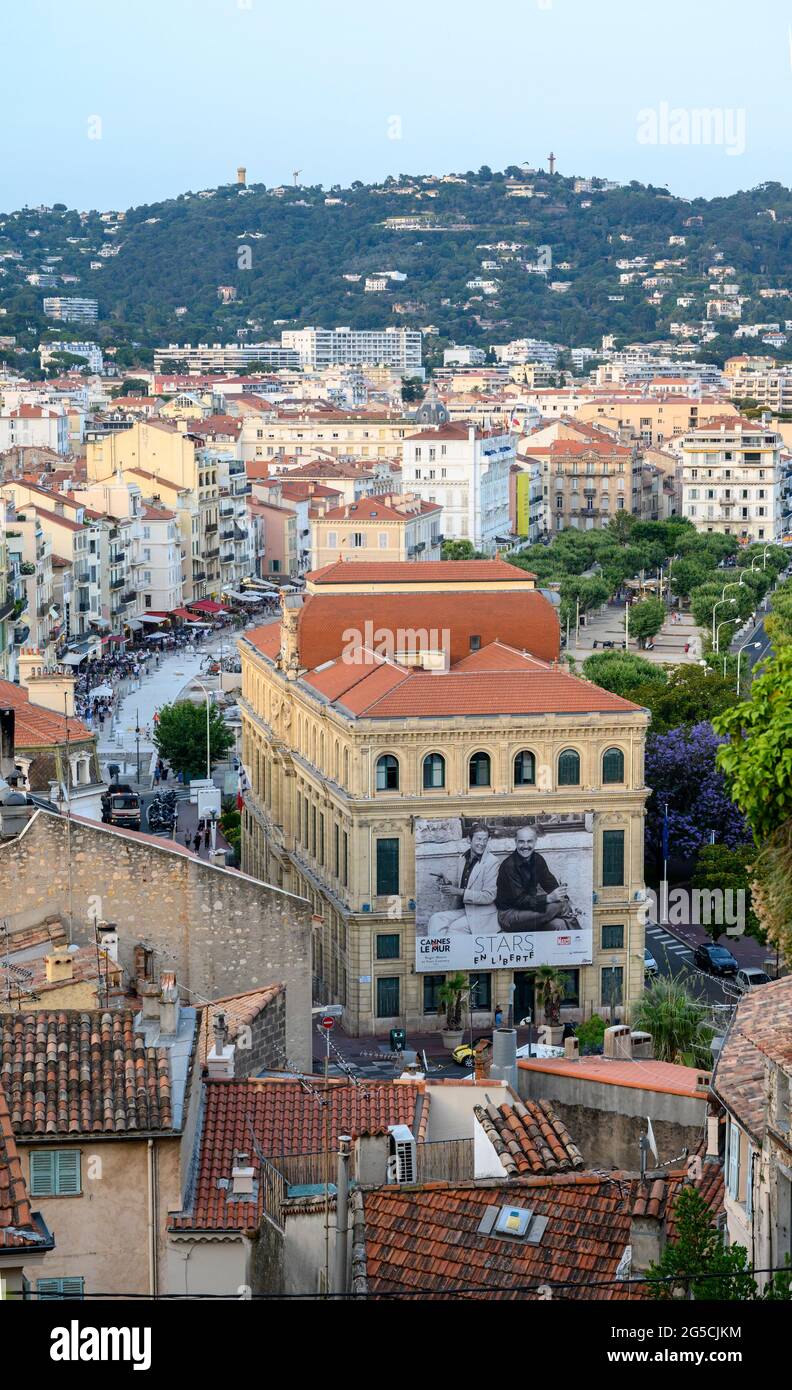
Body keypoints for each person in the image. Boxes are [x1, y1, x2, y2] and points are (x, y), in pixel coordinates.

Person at [495, 825, 578, 933]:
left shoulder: (538, 859)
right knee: (560, 905)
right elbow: (520, 901)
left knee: (559, 924)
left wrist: (567, 899)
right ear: (515, 842)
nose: (525, 846)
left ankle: (574, 944)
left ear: (535, 842)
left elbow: (551, 884)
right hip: (509, 915)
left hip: (530, 911)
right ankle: (580, 942)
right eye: (521, 842)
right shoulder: (508, 866)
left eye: (529, 841)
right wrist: (549, 898)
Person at [426, 825, 499, 935]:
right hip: (466, 910)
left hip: (483, 914)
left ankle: (451, 952)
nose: (482, 843)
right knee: (436, 919)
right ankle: (438, 952)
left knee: (454, 929)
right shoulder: (462, 858)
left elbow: (489, 896)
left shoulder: (492, 861)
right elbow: (463, 885)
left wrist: (459, 892)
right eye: (478, 839)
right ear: (469, 840)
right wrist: (447, 882)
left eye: (485, 839)